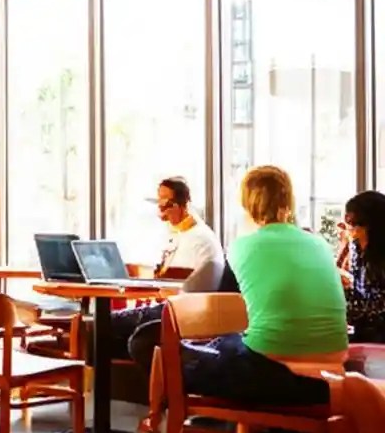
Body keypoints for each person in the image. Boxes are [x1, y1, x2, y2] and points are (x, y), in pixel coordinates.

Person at [173, 166, 344, 407]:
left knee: (170, 356)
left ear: (247, 204)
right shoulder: (320, 245)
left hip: (269, 372)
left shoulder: (243, 247)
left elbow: (222, 315)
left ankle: (160, 417)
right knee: (231, 342)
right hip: (332, 372)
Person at [111, 177, 226, 380]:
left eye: (167, 204)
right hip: (176, 305)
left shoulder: (199, 239)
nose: (162, 212)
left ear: (184, 205)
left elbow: (179, 283)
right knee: (108, 326)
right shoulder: (179, 234)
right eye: (159, 203)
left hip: (181, 309)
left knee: (104, 324)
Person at [341, 190, 385, 343]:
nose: (352, 234)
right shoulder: (359, 251)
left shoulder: (379, 261)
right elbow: (360, 297)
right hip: (365, 334)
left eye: (355, 225)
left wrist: (338, 306)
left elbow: (377, 310)